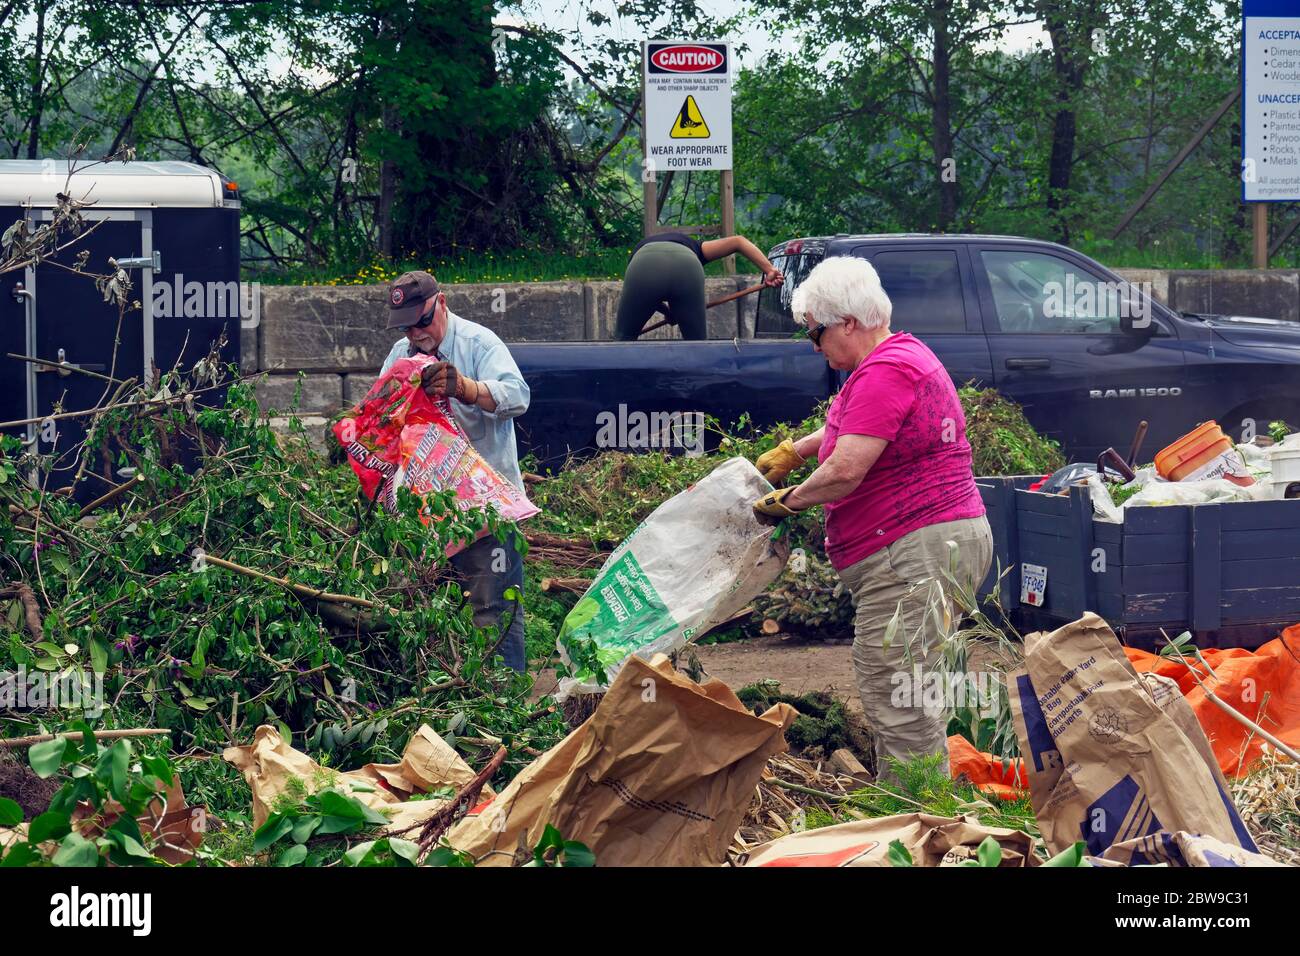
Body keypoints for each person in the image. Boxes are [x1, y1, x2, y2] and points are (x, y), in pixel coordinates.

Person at [751, 256, 992, 779]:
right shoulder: (893, 359)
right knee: (910, 684)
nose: (814, 346)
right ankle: (920, 801)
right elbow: (857, 428)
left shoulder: (888, 369)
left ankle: (914, 819)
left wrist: (787, 501)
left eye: (815, 333)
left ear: (848, 323)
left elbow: (846, 470)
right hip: (925, 546)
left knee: (897, 689)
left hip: (915, 550)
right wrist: (796, 449)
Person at [379, 270, 531, 673]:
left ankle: (507, 712)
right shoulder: (400, 355)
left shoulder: (479, 344)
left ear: (441, 303)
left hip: (487, 512)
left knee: (492, 611)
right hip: (427, 516)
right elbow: (380, 420)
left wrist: (465, 387)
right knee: (422, 611)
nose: (417, 334)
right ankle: (444, 704)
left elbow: (518, 396)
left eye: (423, 321)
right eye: (407, 326)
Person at [614, 231, 784, 340]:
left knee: (623, 339)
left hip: (643, 265)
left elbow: (643, 296)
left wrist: (668, 313)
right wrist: (769, 270)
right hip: (688, 265)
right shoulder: (697, 246)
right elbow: (738, 242)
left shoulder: (638, 252)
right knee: (697, 345)